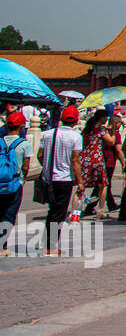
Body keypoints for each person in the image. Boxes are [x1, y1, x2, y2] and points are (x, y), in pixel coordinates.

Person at [37, 106, 83, 255]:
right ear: (76, 120)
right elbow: (75, 161)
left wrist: (46, 168)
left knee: (52, 211)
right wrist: (80, 181)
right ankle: (51, 246)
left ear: (62, 118)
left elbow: (40, 155)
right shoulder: (76, 137)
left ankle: (46, 242)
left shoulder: (48, 134)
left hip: (48, 178)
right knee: (59, 213)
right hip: (64, 179)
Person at [1, 111, 33, 256]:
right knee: (9, 215)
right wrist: (24, 179)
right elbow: (26, 166)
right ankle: (2, 245)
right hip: (14, 183)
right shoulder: (24, 144)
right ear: (21, 127)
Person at [78, 109, 112, 220]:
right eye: (105, 117)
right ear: (101, 118)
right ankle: (100, 210)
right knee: (103, 185)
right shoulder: (100, 129)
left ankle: (75, 212)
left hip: (84, 158)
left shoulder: (86, 129)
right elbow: (110, 142)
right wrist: (115, 131)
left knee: (80, 186)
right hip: (96, 159)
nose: (106, 119)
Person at [102, 114, 124, 214]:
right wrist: (123, 162)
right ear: (116, 123)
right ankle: (91, 206)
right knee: (105, 184)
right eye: (120, 123)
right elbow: (118, 150)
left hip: (101, 160)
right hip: (109, 162)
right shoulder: (115, 134)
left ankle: (111, 204)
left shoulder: (103, 131)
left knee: (105, 184)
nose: (121, 125)